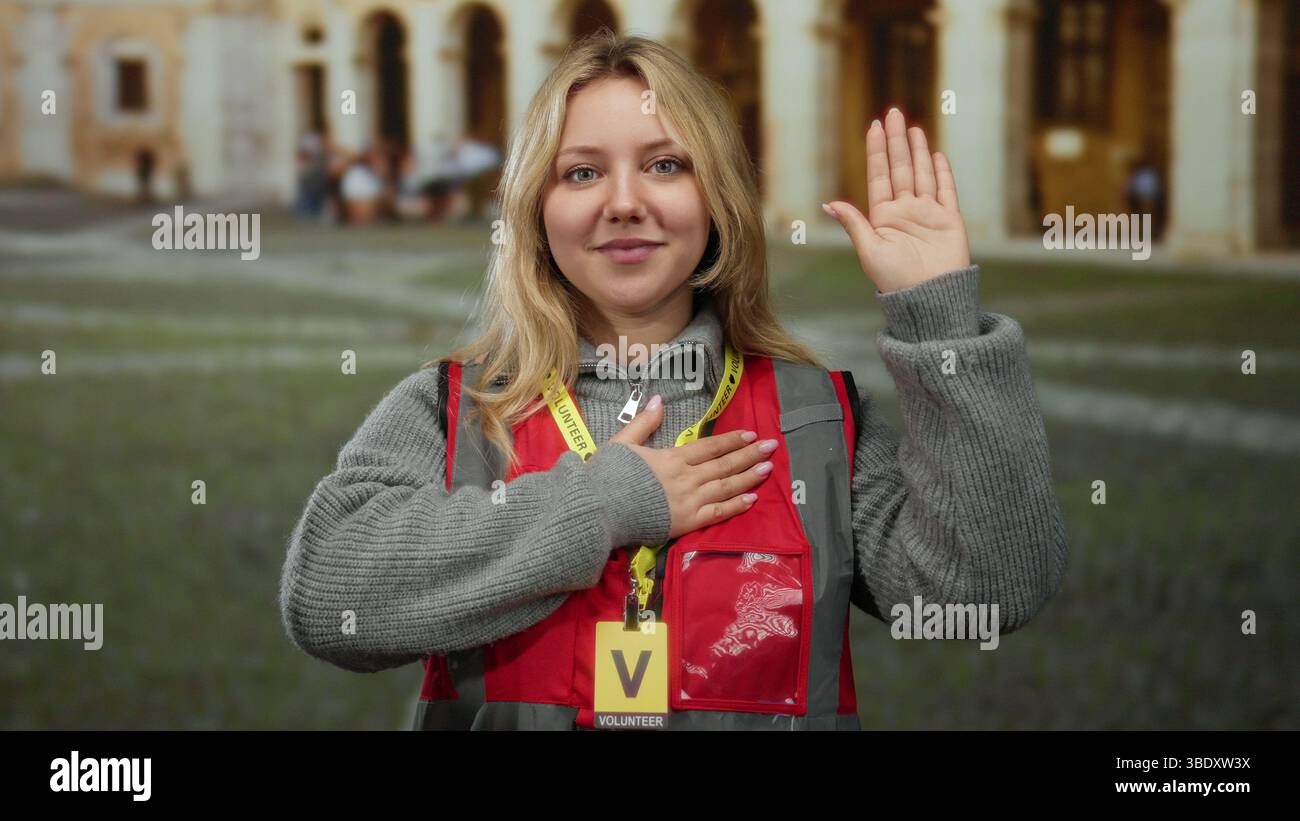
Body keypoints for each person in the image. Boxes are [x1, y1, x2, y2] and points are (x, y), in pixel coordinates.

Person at [279, 33, 1067, 731]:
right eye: (582, 172)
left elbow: (987, 589)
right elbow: (326, 599)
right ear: (536, 210)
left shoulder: (816, 419)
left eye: (664, 165)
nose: (625, 203)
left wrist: (940, 318)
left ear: (717, 197)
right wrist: (603, 502)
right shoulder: (456, 408)